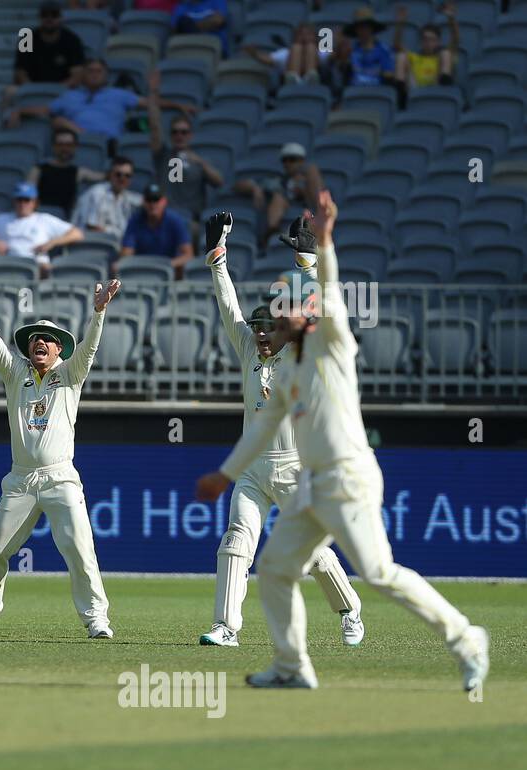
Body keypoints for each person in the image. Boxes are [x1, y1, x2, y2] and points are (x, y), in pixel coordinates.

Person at [195, 193, 490, 691]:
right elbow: (264, 429)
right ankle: (291, 665)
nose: (274, 319)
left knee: (379, 572)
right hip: (310, 482)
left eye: (285, 311)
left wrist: (322, 248)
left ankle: (466, 638)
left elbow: (328, 294)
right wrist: (225, 474)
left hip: (348, 477)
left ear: (305, 317)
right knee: (275, 567)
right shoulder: (285, 371)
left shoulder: (334, 346)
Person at [198, 210, 364, 649]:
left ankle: (349, 610)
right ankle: (226, 627)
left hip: (294, 469)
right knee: (235, 542)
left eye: (268, 328)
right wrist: (218, 260)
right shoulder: (248, 351)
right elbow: (226, 304)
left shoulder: (298, 356)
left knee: (310, 554)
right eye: (255, 330)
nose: (260, 336)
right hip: (252, 471)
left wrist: (306, 263)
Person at [0, 266, 120, 640]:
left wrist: (99, 313)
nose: (40, 343)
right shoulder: (16, 373)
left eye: (47, 339)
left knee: (80, 550)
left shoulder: (71, 373)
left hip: (61, 478)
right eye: (34, 339)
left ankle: (96, 618)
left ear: (59, 348)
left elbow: (90, 348)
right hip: (20, 482)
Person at [8, 58, 196, 154]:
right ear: (83, 74)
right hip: (77, 144)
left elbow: (150, 104)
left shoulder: (119, 94)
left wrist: (179, 106)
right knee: (57, 122)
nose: (94, 74)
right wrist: (20, 110)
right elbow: (45, 110)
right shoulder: (70, 96)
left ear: (106, 75)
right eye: (90, 71)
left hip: (110, 145)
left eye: (99, 71)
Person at [147, 73, 224, 225]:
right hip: (164, 219)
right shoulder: (163, 155)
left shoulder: (200, 160)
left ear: (190, 135)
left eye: (184, 132)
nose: (179, 136)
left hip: (191, 220)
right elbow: (154, 125)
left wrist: (201, 163)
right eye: (175, 132)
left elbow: (219, 181)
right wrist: (153, 93)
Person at [0, 181, 83, 278]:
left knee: (48, 269)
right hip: (5, 260)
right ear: (14, 201)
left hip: (35, 261)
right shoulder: (3, 219)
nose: (23, 204)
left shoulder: (44, 219)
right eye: (19, 199)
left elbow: (76, 234)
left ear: (35, 202)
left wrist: (52, 243)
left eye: (27, 200)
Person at [1, 1, 87, 111]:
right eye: (45, 15)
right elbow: (20, 72)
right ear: (39, 18)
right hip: (32, 87)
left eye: (54, 15)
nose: (49, 19)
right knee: (9, 92)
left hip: (63, 89)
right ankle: (8, 125)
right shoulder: (26, 38)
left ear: (61, 18)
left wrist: (56, 89)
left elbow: (77, 75)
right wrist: (34, 89)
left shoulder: (72, 40)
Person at [234, 142, 324, 246]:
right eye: (285, 160)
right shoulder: (278, 182)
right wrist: (255, 189)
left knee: (313, 170)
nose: (288, 163)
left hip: (310, 216)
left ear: (301, 161)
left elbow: (319, 197)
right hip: (285, 217)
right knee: (278, 197)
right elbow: (238, 186)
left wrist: (305, 189)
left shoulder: (311, 180)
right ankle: (271, 232)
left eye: (292, 159)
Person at [119, 183, 194, 279]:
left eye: (156, 200)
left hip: (168, 277)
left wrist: (166, 265)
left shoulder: (175, 221)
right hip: (140, 273)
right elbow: (126, 254)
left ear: (164, 201)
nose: (152, 204)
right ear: (144, 202)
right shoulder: (135, 221)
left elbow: (188, 255)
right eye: (149, 200)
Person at [26, 128, 102, 219]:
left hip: (65, 222)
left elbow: (104, 176)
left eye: (69, 145)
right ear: (53, 146)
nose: (64, 148)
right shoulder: (38, 170)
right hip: (40, 219)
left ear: (75, 147)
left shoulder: (78, 172)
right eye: (60, 144)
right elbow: (27, 197)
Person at [335, 6, 402, 101]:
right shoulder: (350, 50)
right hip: (354, 95)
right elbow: (341, 71)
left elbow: (388, 78)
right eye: (359, 27)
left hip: (377, 95)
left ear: (372, 28)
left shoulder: (384, 51)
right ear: (356, 30)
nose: (362, 30)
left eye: (365, 26)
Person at [71, 155, 141, 237]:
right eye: (118, 174)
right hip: (89, 243)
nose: (122, 179)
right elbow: (93, 228)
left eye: (127, 176)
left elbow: (147, 201)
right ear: (110, 175)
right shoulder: (97, 193)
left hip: (109, 243)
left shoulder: (125, 196)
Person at [394, 3, 458, 88]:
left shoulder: (441, 57)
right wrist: (400, 24)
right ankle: (400, 92)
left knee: (446, 53)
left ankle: (444, 86)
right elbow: (397, 44)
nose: (428, 42)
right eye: (425, 39)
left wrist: (451, 18)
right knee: (401, 56)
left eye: (432, 39)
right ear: (421, 41)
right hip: (415, 90)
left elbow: (455, 39)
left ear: (438, 42)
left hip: (437, 88)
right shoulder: (414, 57)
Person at [243, 22, 330, 85]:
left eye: (308, 34)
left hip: (316, 84)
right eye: (301, 34)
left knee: (311, 47)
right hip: (291, 84)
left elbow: (333, 57)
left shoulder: (321, 52)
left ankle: (311, 77)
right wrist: (255, 54)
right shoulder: (287, 53)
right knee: (296, 48)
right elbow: (269, 59)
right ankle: (293, 78)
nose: (304, 37)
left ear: (315, 37)